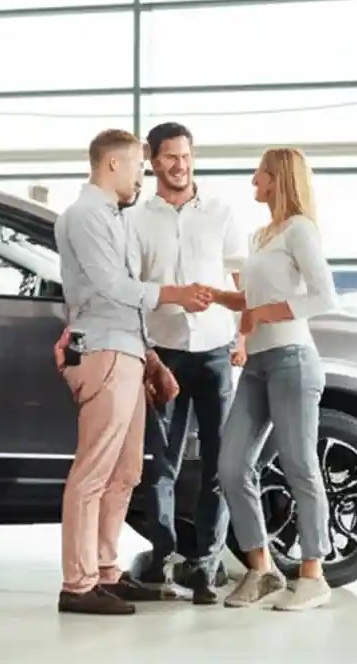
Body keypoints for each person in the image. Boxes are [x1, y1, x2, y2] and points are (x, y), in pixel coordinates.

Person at [52, 128, 213, 616]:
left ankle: (104, 571)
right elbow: (111, 285)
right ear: (113, 165)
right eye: (139, 167)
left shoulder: (111, 218)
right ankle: (77, 585)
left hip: (126, 351)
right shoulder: (84, 215)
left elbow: (123, 298)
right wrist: (174, 294)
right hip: (102, 351)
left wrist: (152, 359)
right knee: (94, 469)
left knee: (124, 472)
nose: (143, 176)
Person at [205, 147, 340, 612]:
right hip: (259, 364)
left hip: (293, 361)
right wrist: (221, 299)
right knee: (231, 465)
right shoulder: (262, 236)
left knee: (301, 466)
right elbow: (252, 301)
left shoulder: (300, 231)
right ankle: (261, 570)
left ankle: (313, 573)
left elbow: (325, 297)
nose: (252, 181)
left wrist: (264, 311)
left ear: (278, 178)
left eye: (259, 173)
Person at [128, 122, 247, 605]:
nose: (181, 165)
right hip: (165, 353)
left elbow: (244, 277)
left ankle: (206, 564)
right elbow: (131, 290)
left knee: (220, 461)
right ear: (153, 161)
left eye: (186, 156)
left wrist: (244, 336)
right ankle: (162, 558)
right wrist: (146, 353)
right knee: (161, 464)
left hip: (217, 350)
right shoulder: (136, 219)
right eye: (170, 157)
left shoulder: (220, 212)